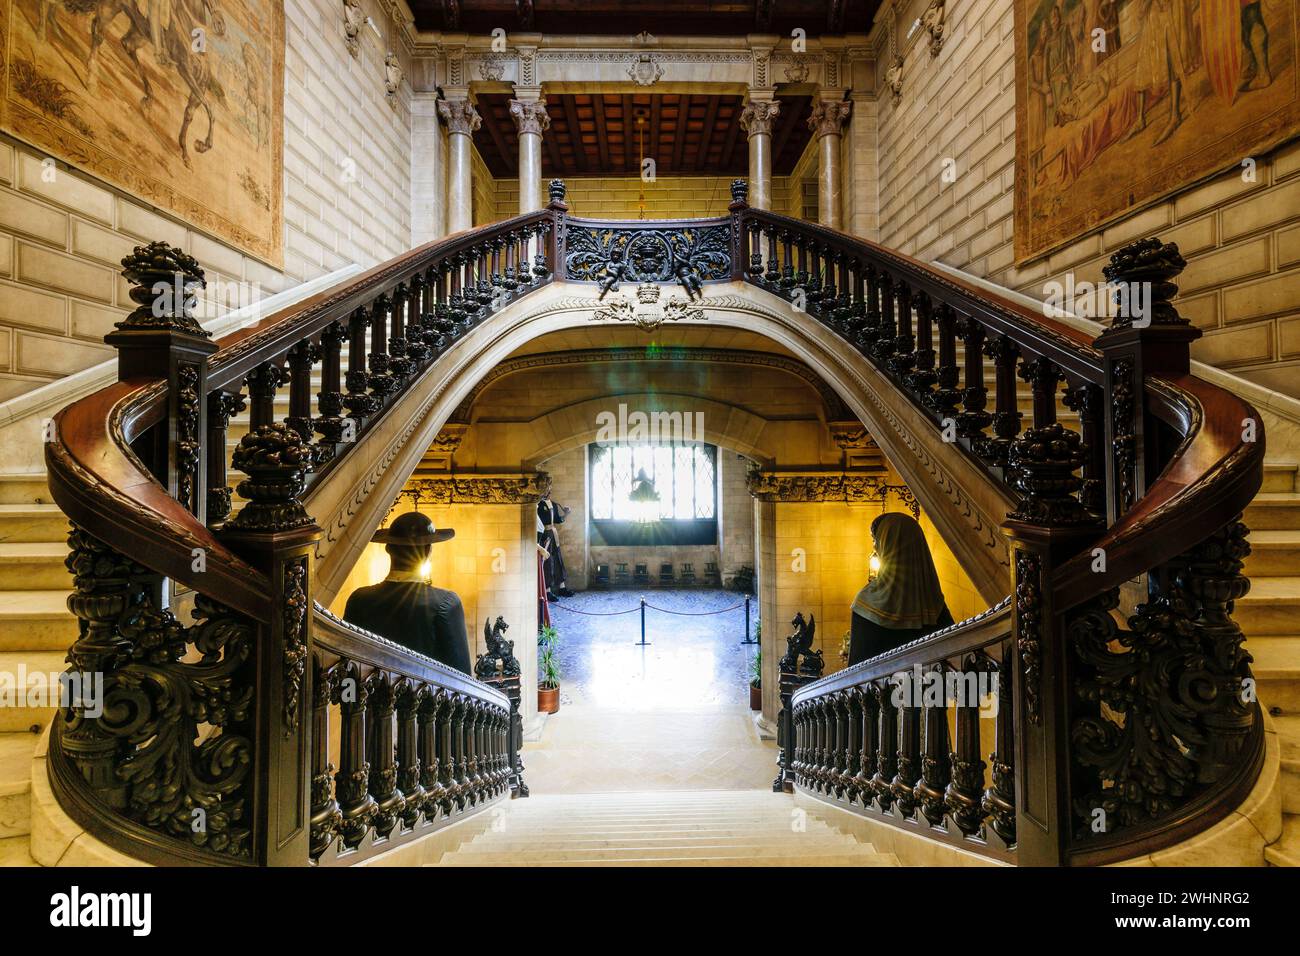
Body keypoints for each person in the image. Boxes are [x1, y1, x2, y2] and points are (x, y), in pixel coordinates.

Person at [343, 512, 472, 674]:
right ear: (427, 552)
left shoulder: (359, 600)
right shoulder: (446, 603)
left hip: (369, 698)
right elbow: (462, 678)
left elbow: (347, 667)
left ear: (388, 549)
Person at [848, 513, 954, 666]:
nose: (875, 547)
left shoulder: (867, 604)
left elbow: (856, 671)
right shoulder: (932, 601)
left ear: (888, 544)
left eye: (876, 540)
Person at [537, 492, 573, 600]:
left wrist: (566, 514)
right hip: (544, 535)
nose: (547, 492)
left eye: (549, 489)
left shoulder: (554, 504)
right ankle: (547, 590)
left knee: (558, 558)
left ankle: (561, 587)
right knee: (547, 561)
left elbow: (558, 520)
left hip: (553, 534)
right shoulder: (539, 505)